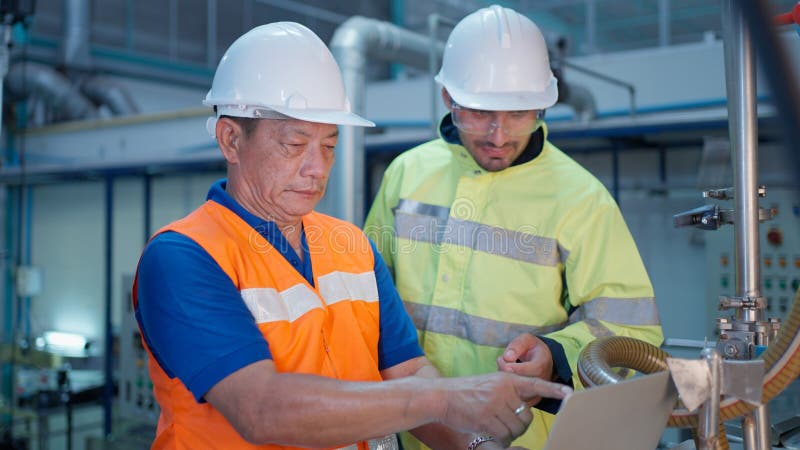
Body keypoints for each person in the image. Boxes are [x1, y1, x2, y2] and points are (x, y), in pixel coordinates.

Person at [133, 22, 570, 450]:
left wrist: (477, 445)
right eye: (294, 145)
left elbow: (407, 371)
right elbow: (260, 408)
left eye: (329, 145)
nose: (317, 169)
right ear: (231, 140)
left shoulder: (351, 245)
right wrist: (443, 397)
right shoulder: (183, 257)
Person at [364, 5, 663, 450]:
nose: (499, 135)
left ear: (543, 105)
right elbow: (363, 297)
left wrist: (556, 356)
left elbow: (633, 335)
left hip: (521, 441)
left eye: (519, 113)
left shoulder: (582, 199)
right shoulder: (406, 174)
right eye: (479, 112)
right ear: (448, 99)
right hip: (411, 435)